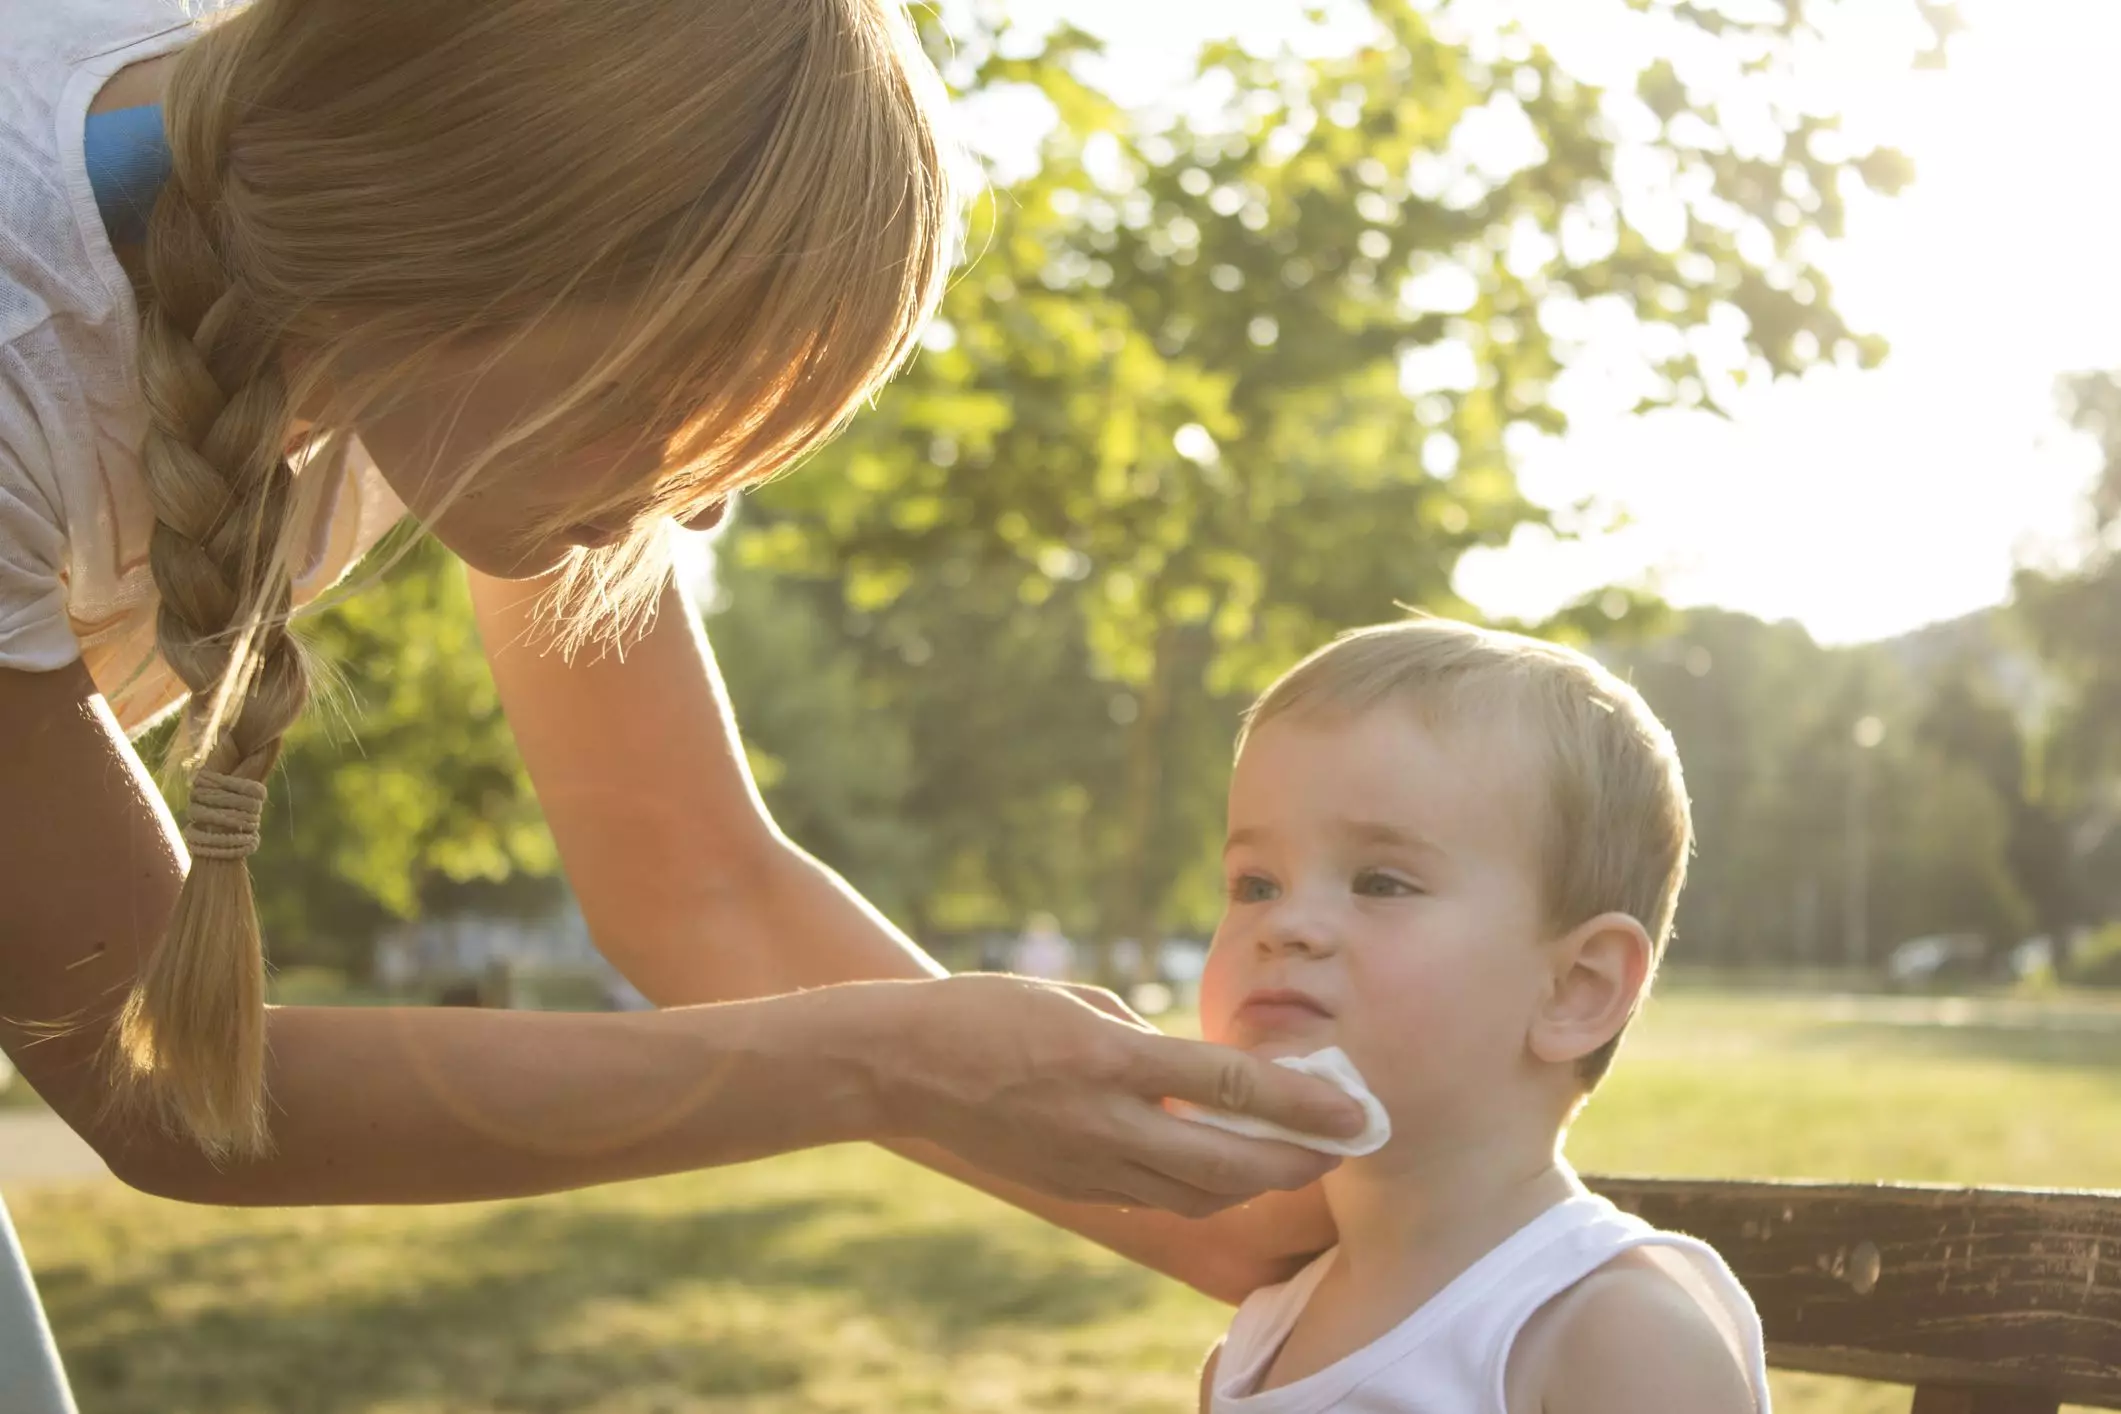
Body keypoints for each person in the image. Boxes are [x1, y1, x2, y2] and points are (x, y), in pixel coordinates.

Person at [0, 1, 1368, 1403]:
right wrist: (877, 1065)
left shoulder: (420, 294)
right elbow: (171, 1086)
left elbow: (692, 876)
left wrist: (1233, 1223)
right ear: (465, 241)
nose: (701, 502)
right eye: (666, 400)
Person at [1194, 620, 1771, 1412]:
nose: (1286, 923)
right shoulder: (1258, 1342)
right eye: (1255, 884)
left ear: (1575, 988)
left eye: (1380, 882)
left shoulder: (1612, 1336)